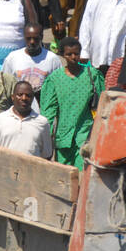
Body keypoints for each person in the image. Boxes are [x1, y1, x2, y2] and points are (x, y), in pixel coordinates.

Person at [38, 36, 104, 169]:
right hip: (63, 138)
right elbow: (48, 112)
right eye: (69, 54)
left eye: (76, 54)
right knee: (64, 177)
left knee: (82, 175)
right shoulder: (54, 79)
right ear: (62, 55)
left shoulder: (93, 75)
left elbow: (103, 105)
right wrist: (45, 139)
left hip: (85, 137)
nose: (73, 57)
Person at [0, 81, 53, 159]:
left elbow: (46, 155)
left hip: (30, 170)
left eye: (28, 95)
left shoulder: (42, 122)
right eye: (20, 95)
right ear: (13, 97)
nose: (24, 98)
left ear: (33, 98)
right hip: (4, 169)